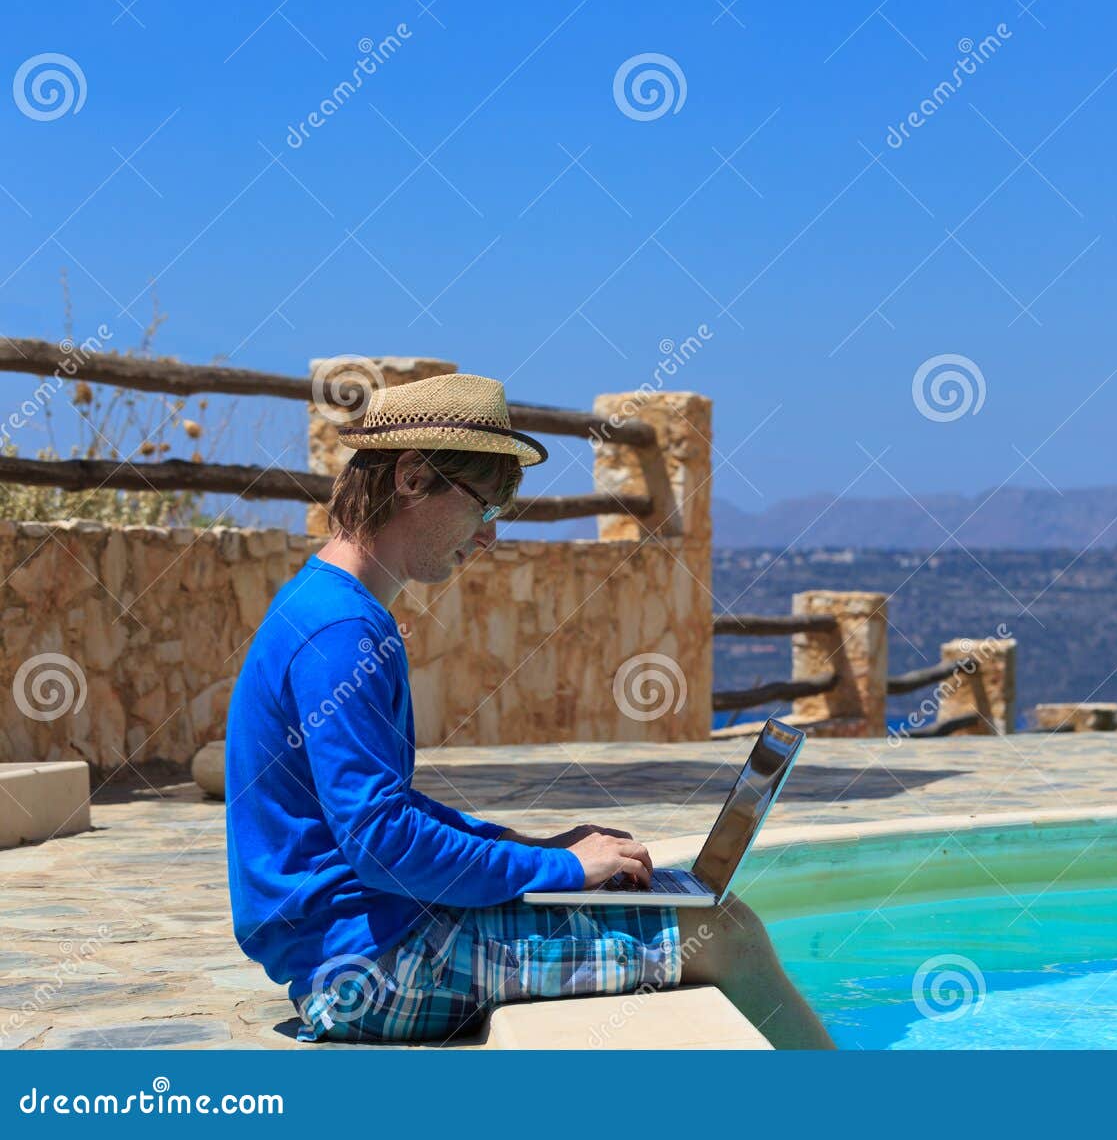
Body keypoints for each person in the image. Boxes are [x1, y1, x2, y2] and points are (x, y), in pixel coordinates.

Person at [223, 372, 832, 1048]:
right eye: (484, 507)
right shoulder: (342, 632)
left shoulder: (325, 607)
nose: (489, 539)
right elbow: (381, 840)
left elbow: (385, 813)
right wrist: (565, 872)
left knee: (680, 903)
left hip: (368, 942)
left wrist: (535, 850)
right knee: (728, 934)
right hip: (375, 967)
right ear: (414, 477)